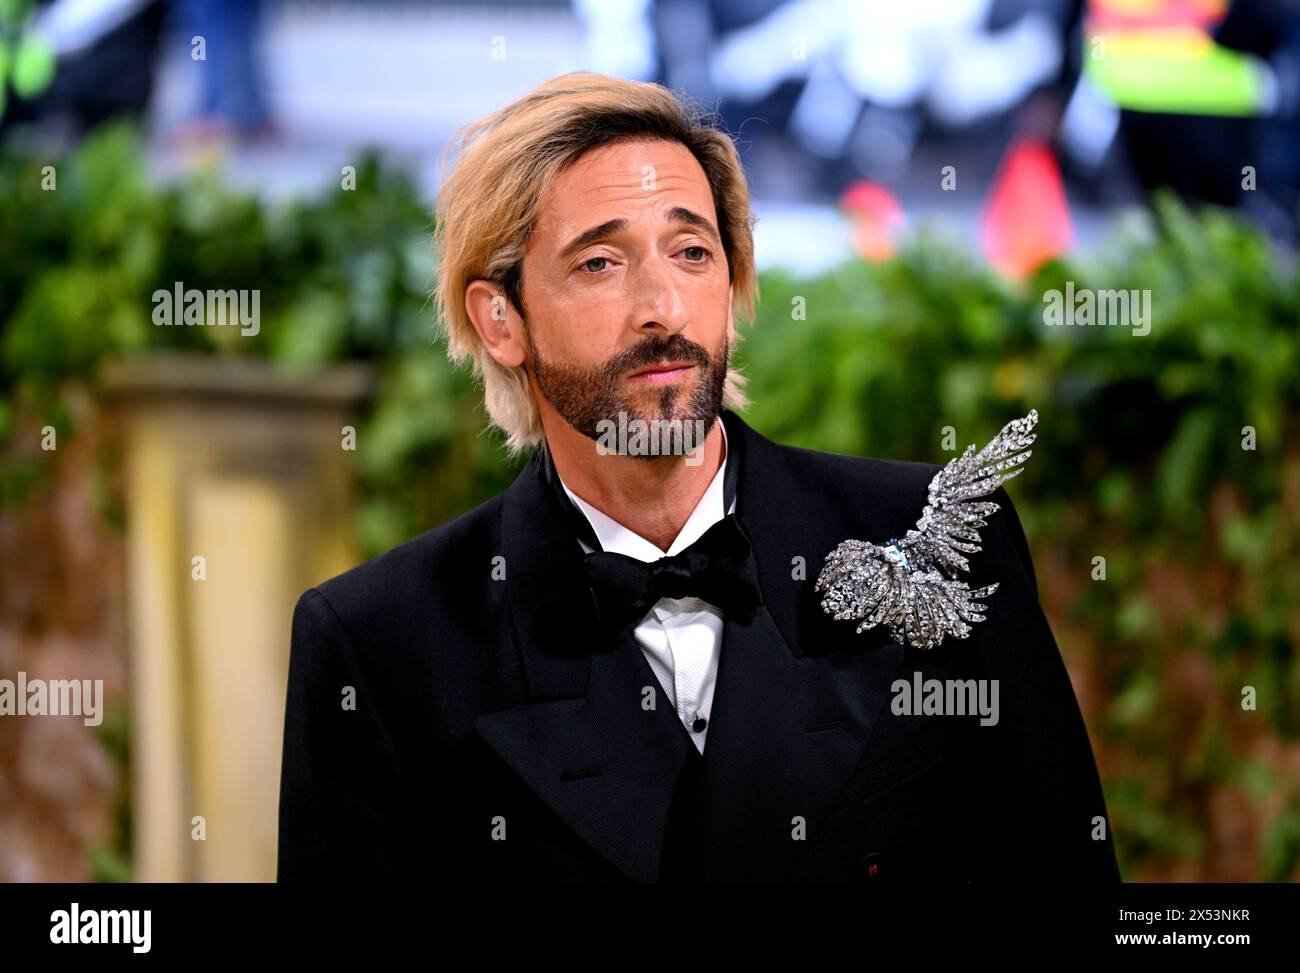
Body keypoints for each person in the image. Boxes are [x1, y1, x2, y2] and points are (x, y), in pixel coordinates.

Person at [277, 71, 1120, 883]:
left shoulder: (926, 535)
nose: (664, 309)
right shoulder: (381, 644)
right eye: (599, 263)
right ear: (501, 320)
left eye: (690, 252)